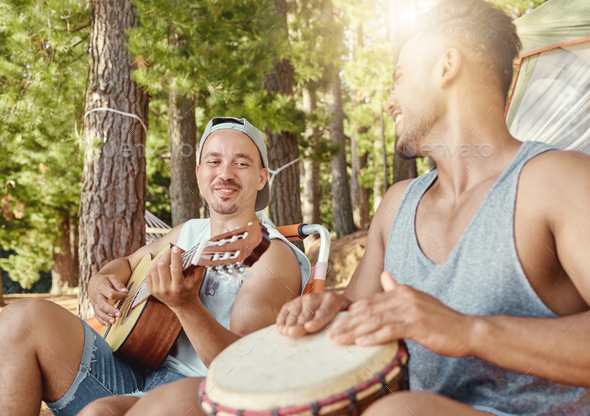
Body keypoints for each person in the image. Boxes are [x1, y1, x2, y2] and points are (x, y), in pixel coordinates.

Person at [276, 1, 590, 415]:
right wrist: (330, 310)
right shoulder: (396, 205)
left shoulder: (556, 180)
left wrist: (469, 330)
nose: (389, 102)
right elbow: (355, 312)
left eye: (400, 77)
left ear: (446, 65)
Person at [0, 116, 310, 416]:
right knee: (21, 317)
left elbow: (242, 370)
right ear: (199, 172)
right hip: (137, 370)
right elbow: (127, 264)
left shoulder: (269, 254)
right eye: (214, 162)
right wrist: (103, 280)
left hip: (199, 395)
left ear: (261, 177)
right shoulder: (188, 232)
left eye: (241, 163)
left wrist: (186, 306)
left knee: (99, 413)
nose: (225, 173)